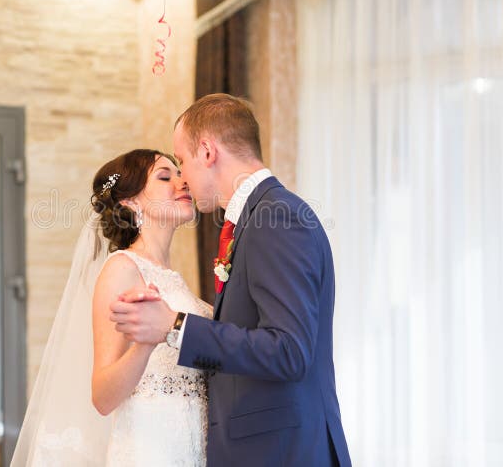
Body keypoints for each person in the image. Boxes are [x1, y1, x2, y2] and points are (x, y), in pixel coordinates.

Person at [110, 94, 352, 466]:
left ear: (207, 152)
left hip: (283, 453)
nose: (184, 179)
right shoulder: (257, 219)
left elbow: (289, 350)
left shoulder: (275, 218)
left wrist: (175, 325)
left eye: (182, 161)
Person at [10, 149, 212, 466]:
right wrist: (144, 345)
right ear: (130, 203)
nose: (182, 181)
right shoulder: (122, 269)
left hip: (191, 448)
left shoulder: (173, 278)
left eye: (179, 172)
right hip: (152, 451)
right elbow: (103, 396)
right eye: (164, 176)